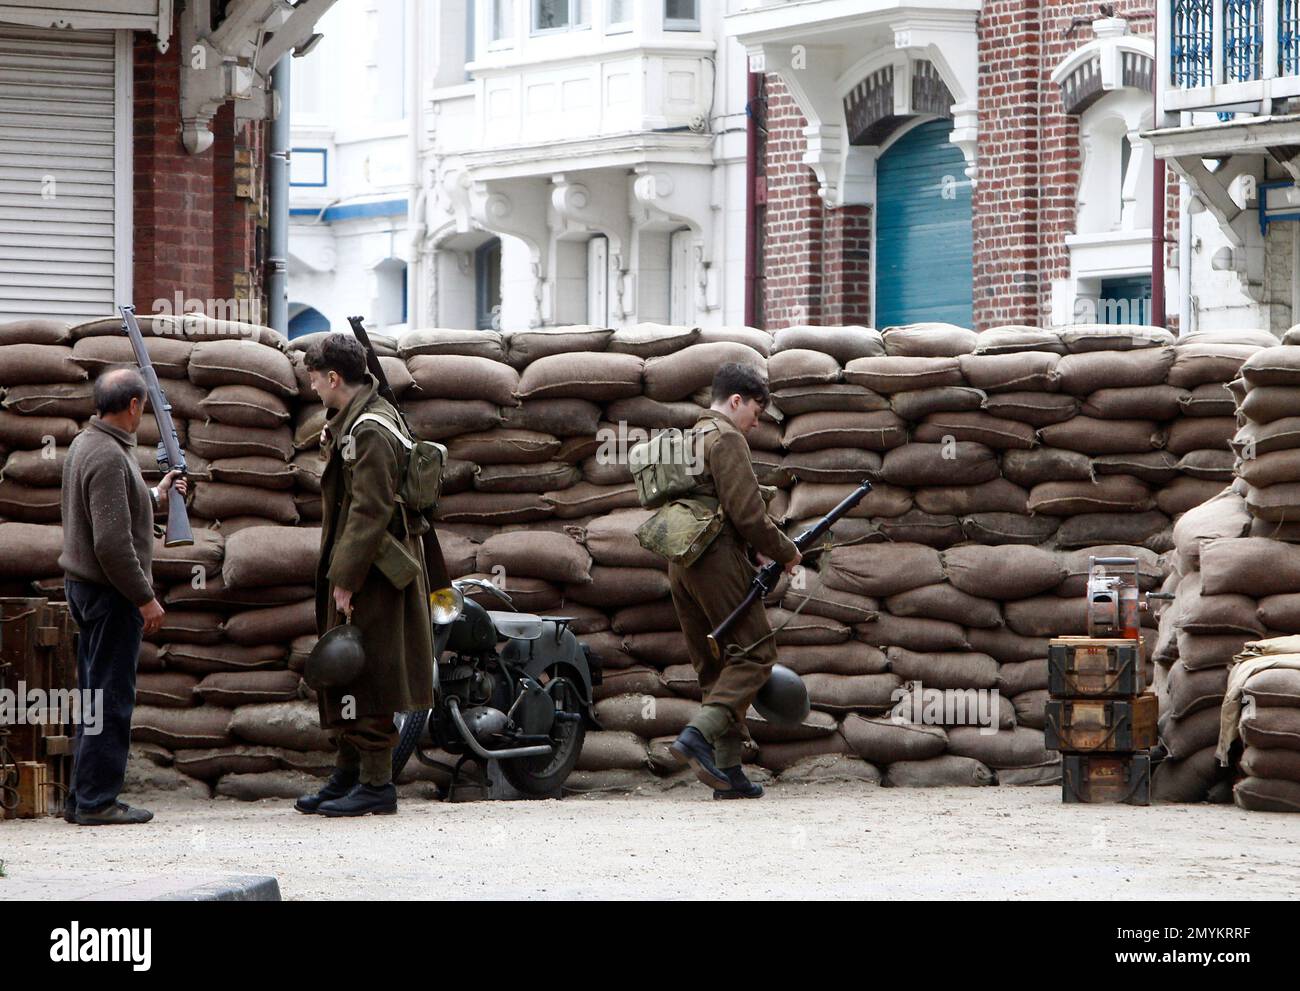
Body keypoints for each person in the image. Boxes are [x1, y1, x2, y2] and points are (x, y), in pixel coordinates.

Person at [295, 334, 434, 817]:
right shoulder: (354, 421)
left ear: (334, 378)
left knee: (366, 673)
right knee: (346, 673)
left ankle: (377, 784)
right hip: (359, 563)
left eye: (314, 379)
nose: (312, 389)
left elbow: (369, 512)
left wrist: (346, 579)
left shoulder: (371, 429)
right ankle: (349, 772)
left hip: (373, 571)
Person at [59, 367, 187, 825]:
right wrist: (144, 597)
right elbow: (111, 543)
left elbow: (112, 511)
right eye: (143, 406)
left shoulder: (87, 444)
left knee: (94, 695)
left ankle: (82, 796)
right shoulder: (110, 456)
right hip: (110, 593)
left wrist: (156, 492)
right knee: (111, 697)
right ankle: (97, 800)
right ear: (133, 406)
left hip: (87, 588)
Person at [668, 363, 801, 799]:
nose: (756, 423)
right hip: (714, 558)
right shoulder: (726, 438)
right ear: (736, 401)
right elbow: (747, 515)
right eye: (755, 412)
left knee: (715, 663)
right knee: (756, 652)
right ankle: (698, 736)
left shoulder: (689, 437)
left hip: (681, 558)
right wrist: (786, 551)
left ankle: (728, 772)